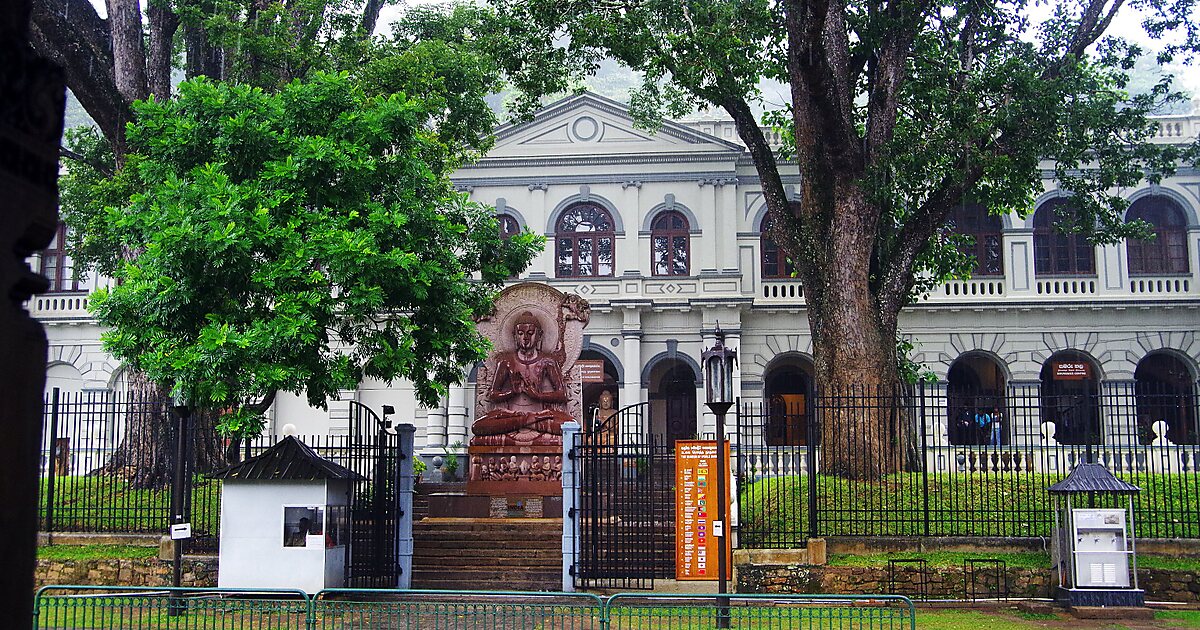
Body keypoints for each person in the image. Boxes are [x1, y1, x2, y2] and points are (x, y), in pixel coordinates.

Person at [472, 311, 573, 446]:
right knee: (478, 427)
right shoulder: (506, 361)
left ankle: (523, 421)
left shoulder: (548, 361)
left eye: (530, 333)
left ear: (539, 335)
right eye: (520, 333)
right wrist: (512, 392)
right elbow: (493, 395)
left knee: (570, 425)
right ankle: (527, 421)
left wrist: (538, 395)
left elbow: (562, 395)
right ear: (514, 335)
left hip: (541, 414)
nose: (525, 338)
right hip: (510, 414)